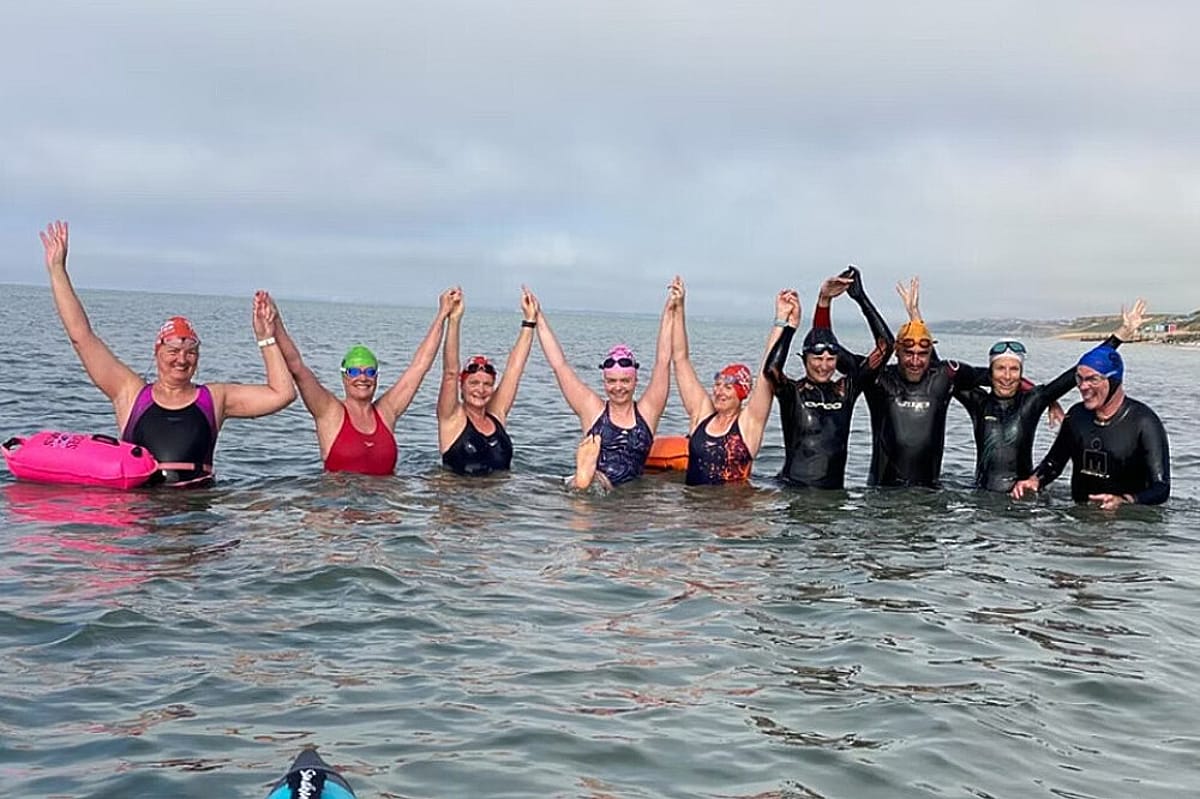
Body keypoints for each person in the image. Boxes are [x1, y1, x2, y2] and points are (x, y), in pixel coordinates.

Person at [40, 220, 295, 486]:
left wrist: (266, 337)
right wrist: (57, 270)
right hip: (144, 514)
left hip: (197, 516)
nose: (182, 359)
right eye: (173, 350)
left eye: (191, 352)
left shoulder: (214, 399)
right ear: (157, 352)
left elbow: (282, 394)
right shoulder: (130, 393)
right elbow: (81, 337)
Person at [956, 300, 1145, 492]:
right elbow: (942, 371)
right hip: (980, 501)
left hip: (1022, 500)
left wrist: (1120, 335)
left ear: (1021, 372)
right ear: (991, 371)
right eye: (1000, 368)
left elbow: (1076, 373)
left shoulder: (1032, 401)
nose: (1007, 376)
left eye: (1014, 369)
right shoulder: (978, 402)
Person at [270, 288, 458, 475]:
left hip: (385, 502)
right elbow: (297, 367)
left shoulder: (387, 412)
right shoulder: (329, 412)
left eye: (369, 371)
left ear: (376, 377)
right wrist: (275, 323)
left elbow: (420, 366)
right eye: (354, 372)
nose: (363, 378)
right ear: (344, 376)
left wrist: (442, 315)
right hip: (339, 502)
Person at [764, 265, 893, 488]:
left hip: (833, 497)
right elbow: (771, 370)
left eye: (830, 359)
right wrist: (790, 327)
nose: (824, 366)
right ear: (804, 359)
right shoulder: (792, 393)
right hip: (795, 491)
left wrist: (860, 298)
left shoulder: (846, 390)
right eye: (817, 358)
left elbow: (886, 346)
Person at [1010, 333, 1170, 509]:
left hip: (1125, 528)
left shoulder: (1144, 422)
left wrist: (1125, 501)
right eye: (1080, 378)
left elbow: (1161, 488)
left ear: (1114, 380)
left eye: (1093, 379)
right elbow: (1054, 462)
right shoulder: (1077, 416)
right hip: (1079, 517)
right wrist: (1034, 480)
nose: (1083, 386)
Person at [535, 287, 672, 490]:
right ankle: (583, 477)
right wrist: (537, 317)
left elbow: (663, 361)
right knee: (589, 485)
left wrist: (671, 308)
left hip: (629, 500)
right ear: (604, 382)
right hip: (594, 489)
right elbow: (559, 365)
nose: (618, 387)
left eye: (625, 381)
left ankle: (584, 480)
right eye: (611, 381)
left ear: (635, 381)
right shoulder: (593, 410)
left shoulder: (647, 412)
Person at [861, 276, 989, 488]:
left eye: (922, 354)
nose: (914, 361)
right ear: (897, 352)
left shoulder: (943, 376)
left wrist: (1043, 397)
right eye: (908, 353)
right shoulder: (880, 381)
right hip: (882, 497)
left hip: (930, 497)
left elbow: (1000, 375)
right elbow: (831, 356)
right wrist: (856, 298)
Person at [668, 277, 784, 485]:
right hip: (695, 511)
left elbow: (767, 371)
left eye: (728, 387)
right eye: (718, 385)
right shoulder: (702, 414)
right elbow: (680, 359)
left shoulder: (749, 423)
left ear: (741, 393)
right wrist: (679, 307)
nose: (719, 391)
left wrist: (780, 321)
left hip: (732, 514)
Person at [436, 287, 540, 476]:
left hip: (497, 502)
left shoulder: (496, 415)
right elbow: (450, 373)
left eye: (487, 384)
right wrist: (454, 319)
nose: (481, 390)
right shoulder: (452, 418)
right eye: (474, 383)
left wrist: (529, 321)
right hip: (459, 501)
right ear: (462, 385)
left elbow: (514, 371)